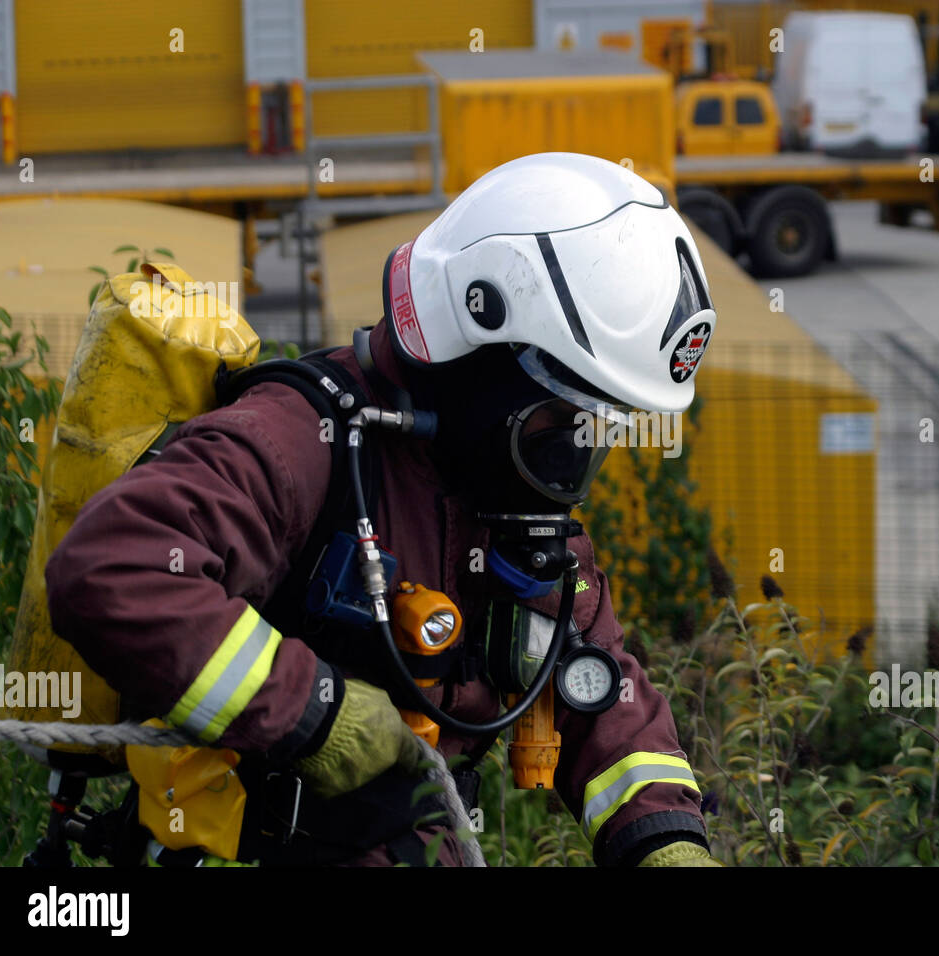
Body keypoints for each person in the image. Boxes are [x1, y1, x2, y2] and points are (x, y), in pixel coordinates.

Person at [45, 152, 722, 867]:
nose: (572, 454)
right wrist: (308, 710)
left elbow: (592, 679)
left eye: (597, 424)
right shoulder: (298, 439)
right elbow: (110, 567)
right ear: (481, 348)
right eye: (560, 415)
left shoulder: (502, 486)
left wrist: (664, 840)